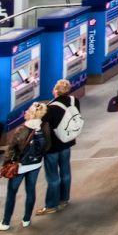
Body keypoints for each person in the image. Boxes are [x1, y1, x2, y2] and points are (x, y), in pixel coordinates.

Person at [0, 105, 47, 231]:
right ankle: (26, 219)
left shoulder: (22, 129)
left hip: (20, 165)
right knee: (31, 190)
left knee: (12, 192)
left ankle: (6, 222)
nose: (25, 112)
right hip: (36, 163)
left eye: (28, 111)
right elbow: (47, 144)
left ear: (32, 114)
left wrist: (6, 164)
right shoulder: (44, 126)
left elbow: (12, 149)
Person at [38, 79, 79, 213]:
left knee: (53, 176)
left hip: (53, 146)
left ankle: (51, 205)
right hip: (67, 142)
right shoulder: (74, 101)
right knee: (65, 171)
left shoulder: (50, 107)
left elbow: (43, 126)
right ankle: (64, 199)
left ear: (55, 91)